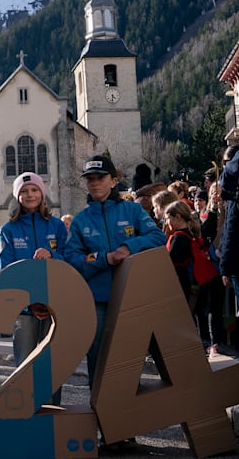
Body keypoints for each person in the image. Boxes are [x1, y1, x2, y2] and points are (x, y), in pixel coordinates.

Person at [63, 155, 166, 386]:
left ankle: (128, 408)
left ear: (113, 181)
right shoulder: (80, 221)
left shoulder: (132, 211)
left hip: (131, 297)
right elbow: (73, 259)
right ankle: (99, 408)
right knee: (97, 355)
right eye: (90, 179)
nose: (94, 183)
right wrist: (103, 259)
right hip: (97, 301)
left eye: (100, 177)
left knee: (129, 354)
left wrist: (129, 247)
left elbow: (157, 237)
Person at [0, 172, 67, 404]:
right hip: (25, 309)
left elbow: (69, 260)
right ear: (17, 197)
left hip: (54, 306)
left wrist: (52, 254)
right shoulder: (9, 230)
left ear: (42, 193)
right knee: (25, 362)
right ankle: (26, 411)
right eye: (24, 192)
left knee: (51, 362)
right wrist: (29, 301)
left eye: (34, 190)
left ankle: (51, 412)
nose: (30, 195)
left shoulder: (57, 226)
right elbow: (7, 269)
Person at [164, 200, 224, 357]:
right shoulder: (191, 235)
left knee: (190, 314)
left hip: (186, 282)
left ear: (177, 217)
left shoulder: (179, 238)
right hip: (200, 281)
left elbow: (169, 262)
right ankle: (207, 342)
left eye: (167, 218)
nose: (166, 222)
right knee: (201, 313)